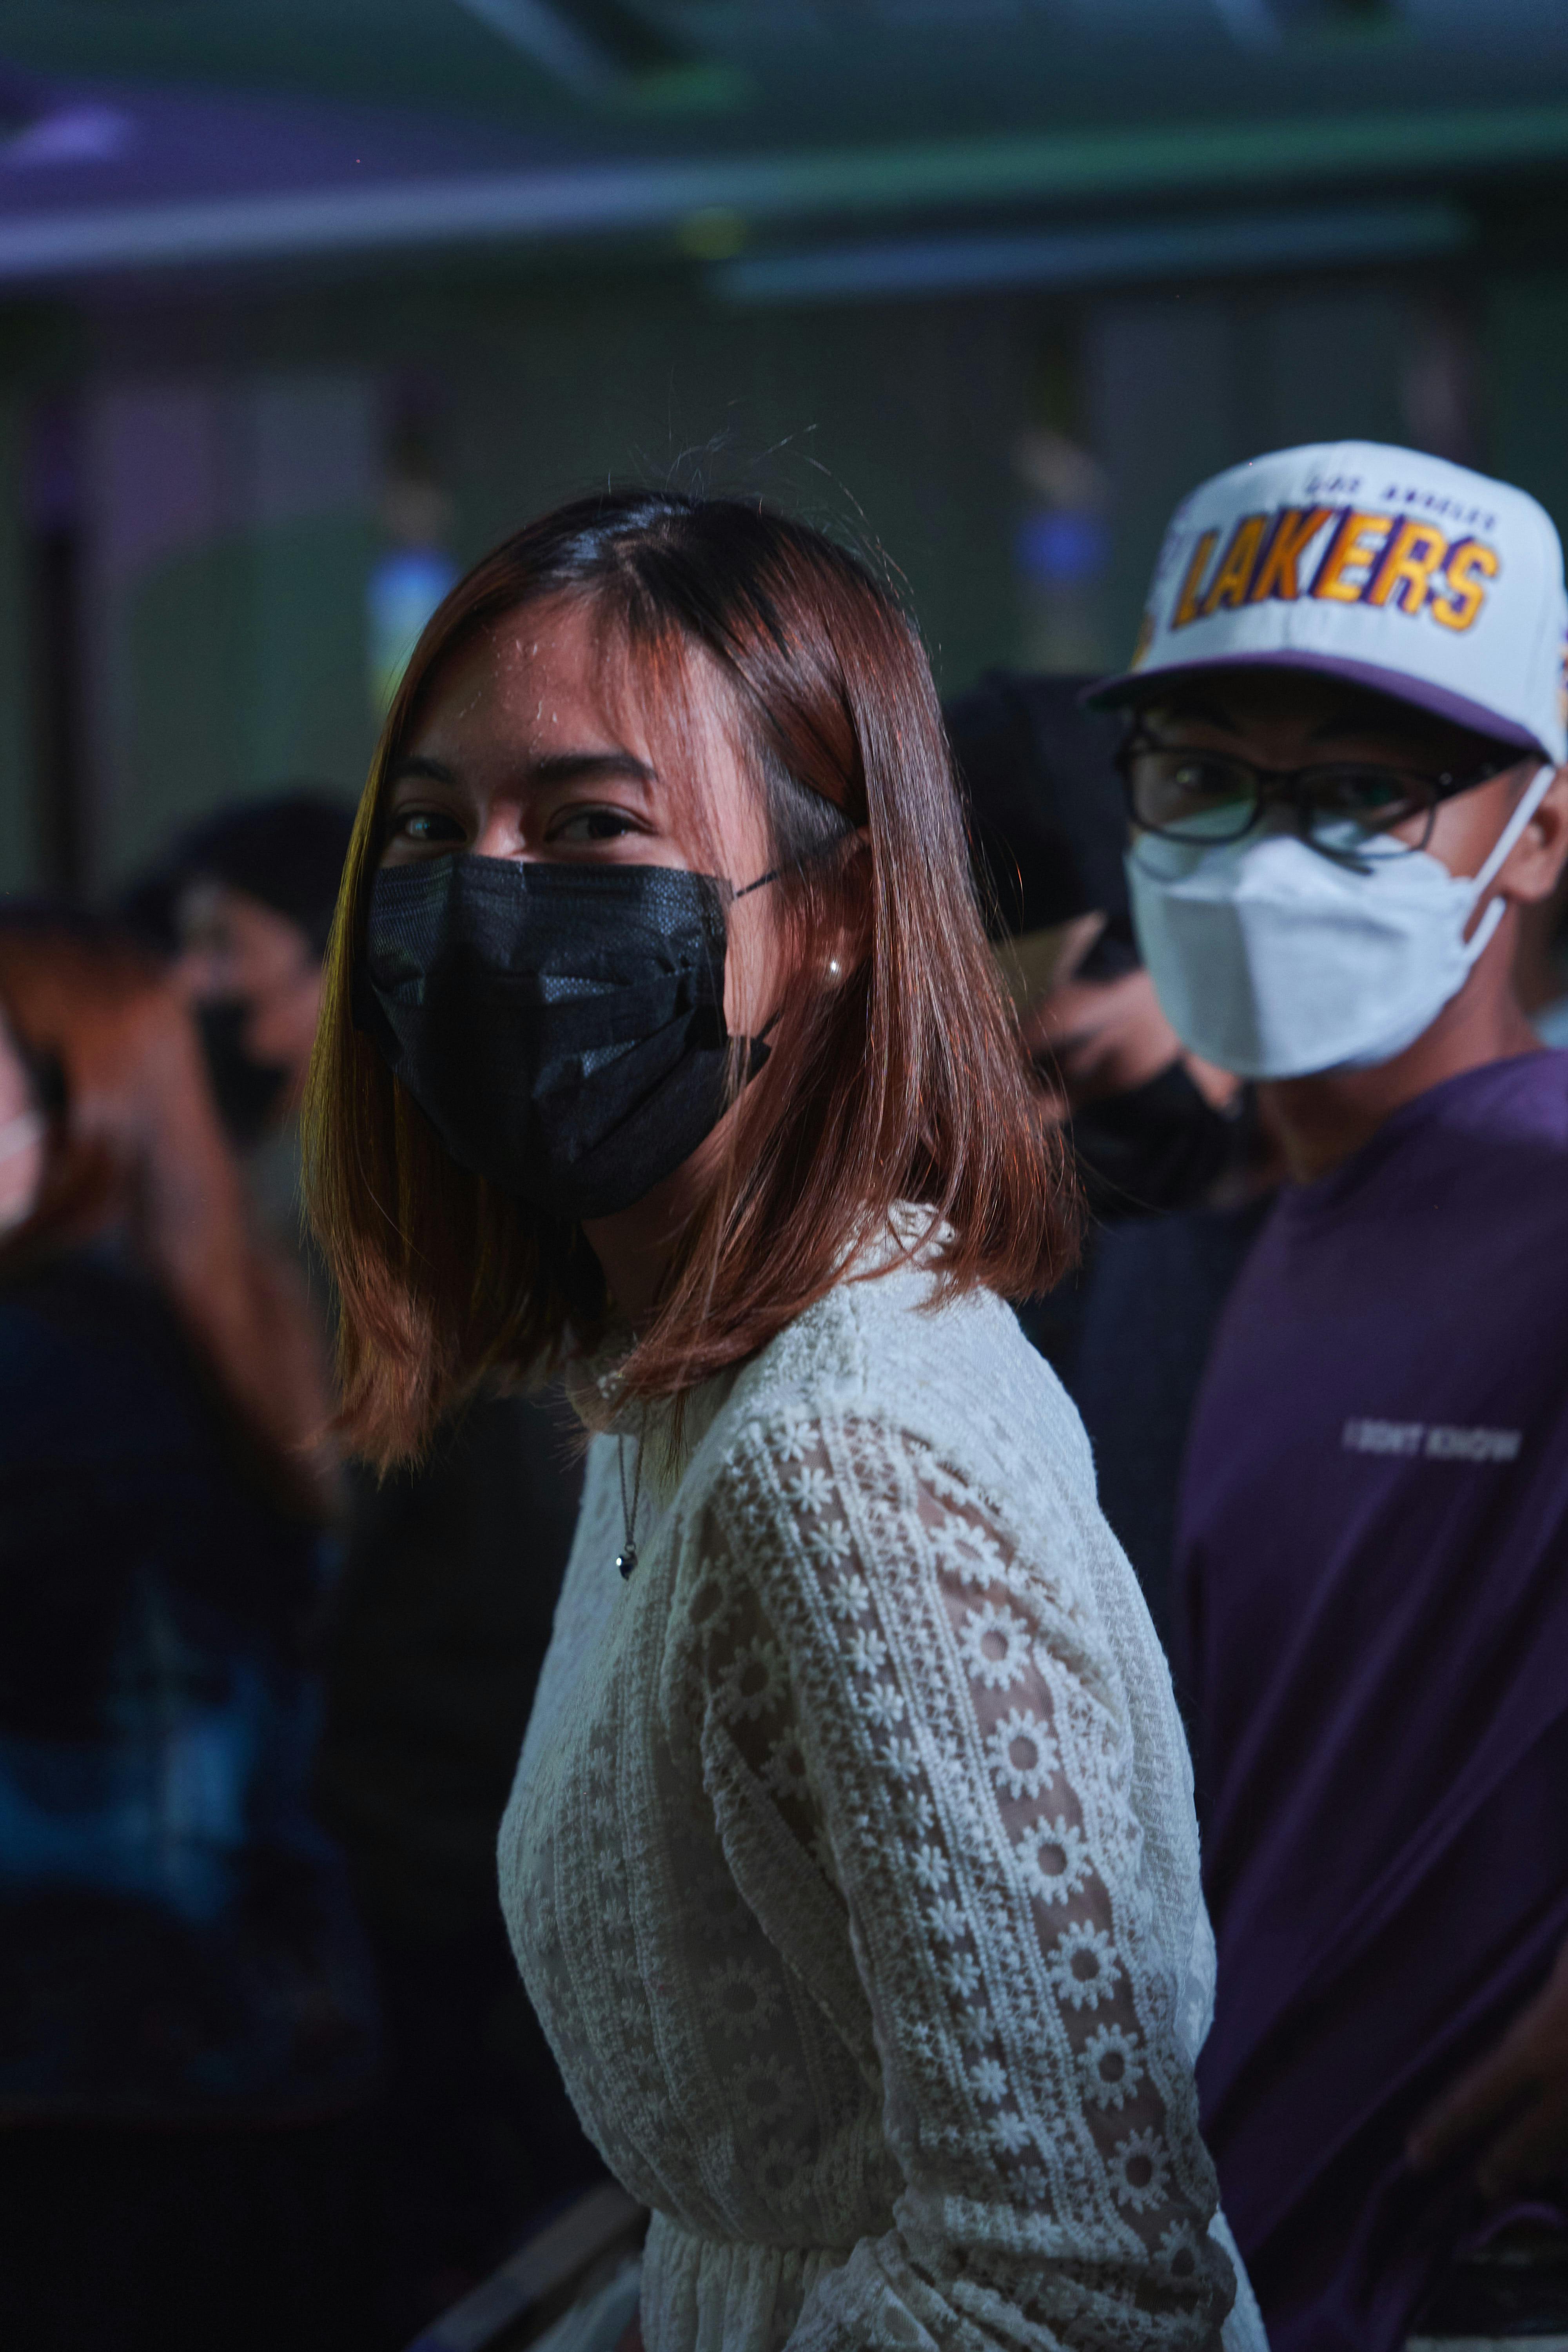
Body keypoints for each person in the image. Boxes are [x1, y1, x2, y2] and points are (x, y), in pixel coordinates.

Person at [303, 488, 1266, 2352]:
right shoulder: (684, 1372)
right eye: (431, 828)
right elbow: (759, 2214)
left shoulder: (841, 1453)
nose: (487, 893)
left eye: (590, 826)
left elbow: (1074, 2285)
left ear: (826, 914)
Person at [1087, 438, 1568, 2347]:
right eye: (1200, 777)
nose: (1261, 852)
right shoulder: (1251, 1238)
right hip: (1254, 2251)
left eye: (1361, 794)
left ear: (1531, 834)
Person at [131, 793, 606, 2331]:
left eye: (231, 944)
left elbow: (317, 1520)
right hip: (461, 1818)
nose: (197, 984)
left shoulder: (371, 1194)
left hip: (431, 1840)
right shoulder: (418, 1159)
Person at [0, 910, 381, 2352]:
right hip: (253, 2065)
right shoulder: (216, 1324)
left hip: (86, 2090)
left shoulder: (44, 1370)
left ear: (75, 1102)